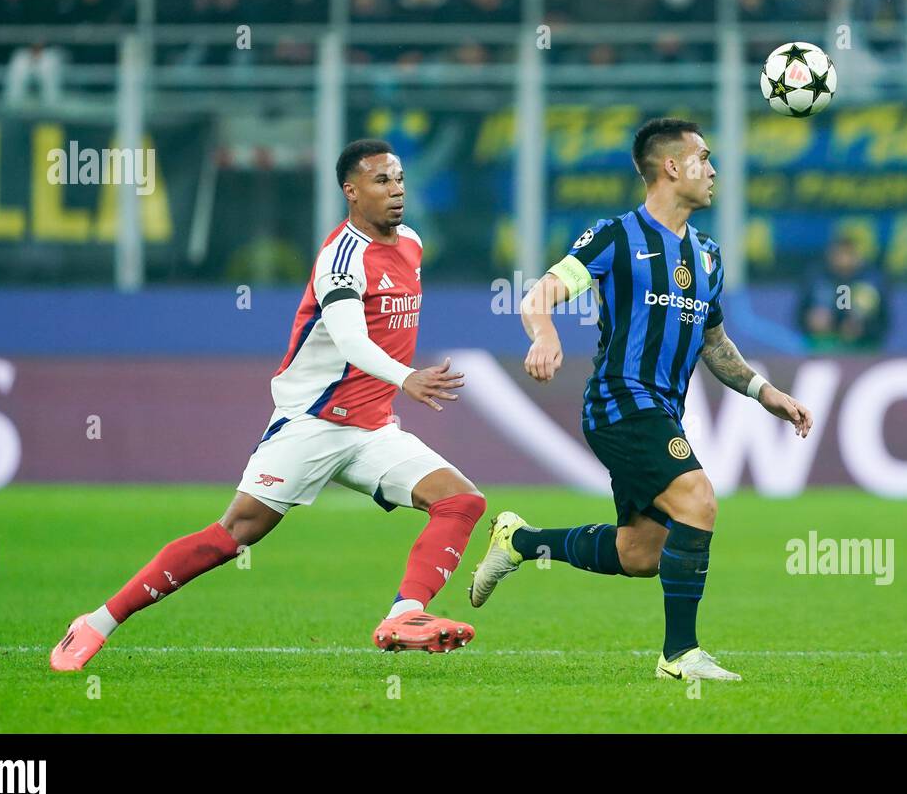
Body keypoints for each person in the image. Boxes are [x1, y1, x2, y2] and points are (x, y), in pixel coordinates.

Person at [50, 140, 486, 671]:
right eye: (380, 182)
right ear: (351, 192)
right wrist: (407, 377)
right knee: (234, 535)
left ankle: (405, 615)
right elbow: (351, 342)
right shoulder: (340, 260)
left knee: (461, 502)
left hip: (372, 429)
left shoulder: (412, 243)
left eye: (398, 179)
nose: (396, 191)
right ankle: (95, 623)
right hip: (312, 423)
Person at [469, 118, 814, 682]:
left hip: (662, 408)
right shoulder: (614, 235)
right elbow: (541, 295)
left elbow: (713, 341)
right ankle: (680, 656)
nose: (713, 169)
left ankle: (519, 541)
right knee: (699, 499)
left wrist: (764, 392)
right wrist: (546, 334)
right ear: (671, 167)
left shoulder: (707, 255)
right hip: (620, 401)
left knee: (640, 554)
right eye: (704, 157)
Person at [796, 228, 890, 350]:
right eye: (839, 254)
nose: (843, 260)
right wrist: (811, 322)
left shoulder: (872, 281)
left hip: (863, 347)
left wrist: (864, 327)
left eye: (848, 254)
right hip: (821, 346)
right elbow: (799, 316)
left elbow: (884, 322)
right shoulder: (817, 279)